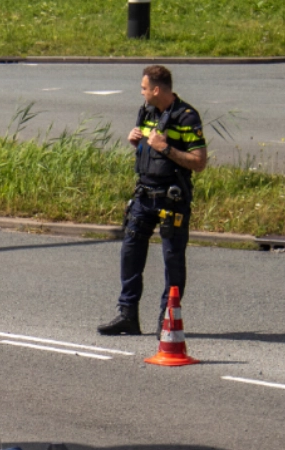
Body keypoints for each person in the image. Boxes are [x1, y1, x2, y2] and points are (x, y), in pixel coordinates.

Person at [98, 65, 208, 336]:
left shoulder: (186, 116)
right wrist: (138, 143)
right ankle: (127, 314)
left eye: (144, 88)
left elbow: (199, 162)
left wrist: (165, 147)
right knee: (130, 254)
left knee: (172, 260)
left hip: (172, 200)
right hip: (144, 195)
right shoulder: (146, 111)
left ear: (157, 89)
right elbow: (150, 150)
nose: (142, 92)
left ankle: (167, 319)